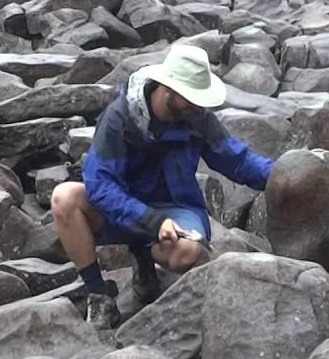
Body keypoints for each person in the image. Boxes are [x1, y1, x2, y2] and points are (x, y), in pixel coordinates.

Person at [50, 43, 275, 330]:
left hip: (176, 208)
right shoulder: (120, 118)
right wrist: (151, 221)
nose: (197, 105)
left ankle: (144, 259)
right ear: (167, 89)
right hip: (125, 210)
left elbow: (237, 161)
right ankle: (98, 294)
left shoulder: (197, 117)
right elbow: (100, 185)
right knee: (64, 197)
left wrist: (281, 174)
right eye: (191, 98)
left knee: (187, 252)